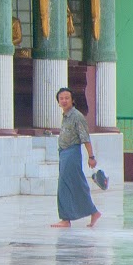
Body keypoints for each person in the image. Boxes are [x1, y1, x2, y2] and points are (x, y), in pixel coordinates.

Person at [52, 88, 102, 229]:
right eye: (61, 98)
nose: (64, 100)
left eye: (67, 98)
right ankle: (93, 211)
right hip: (64, 153)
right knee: (77, 185)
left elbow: (85, 138)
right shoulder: (66, 116)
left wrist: (91, 157)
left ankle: (66, 219)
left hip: (72, 153)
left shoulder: (77, 116)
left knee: (64, 186)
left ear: (72, 100)